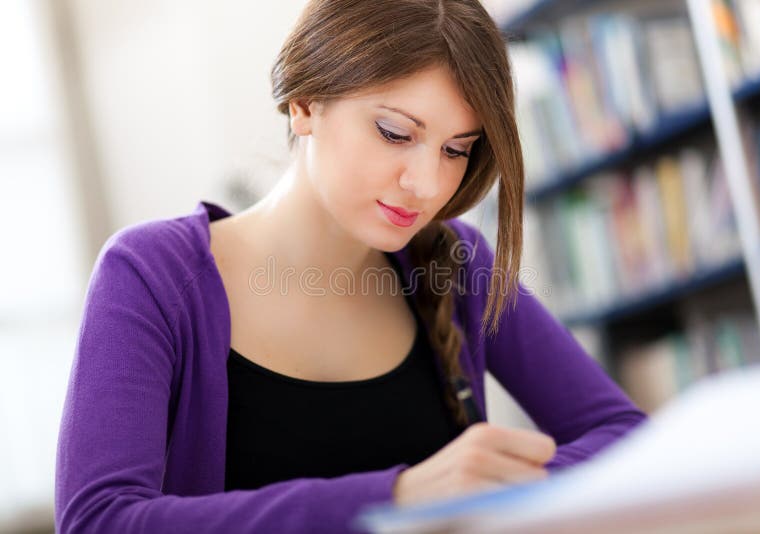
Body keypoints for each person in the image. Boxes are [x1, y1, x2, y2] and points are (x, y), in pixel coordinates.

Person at [54, 0, 648, 532]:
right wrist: (399, 495)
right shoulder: (152, 275)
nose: (427, 184)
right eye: (395, 133)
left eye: (456, 150)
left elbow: (621, 436)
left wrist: (499, 483)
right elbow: (99, 519)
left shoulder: (455, 263)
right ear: (304, 103)